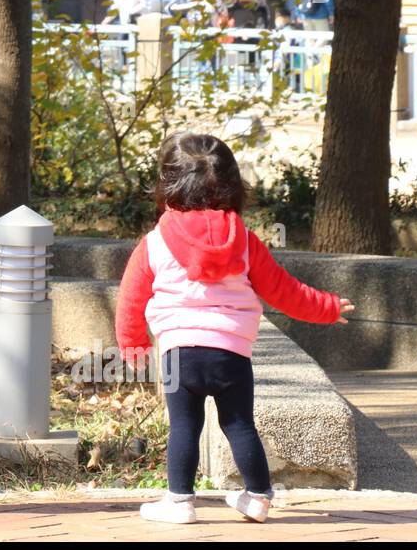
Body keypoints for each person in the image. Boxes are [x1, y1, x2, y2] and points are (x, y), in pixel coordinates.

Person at [114, 133, 353, 525]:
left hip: (180, 353)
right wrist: (326, 307)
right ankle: (258, 497)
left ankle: (179, 502)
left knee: (185, 427)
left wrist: (133, 346)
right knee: (239, 424)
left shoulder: (155, 242)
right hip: (231, 353)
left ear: (168, 182)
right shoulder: (243, 240)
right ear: (231, 183)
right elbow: (283, 289)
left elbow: (131, 300)